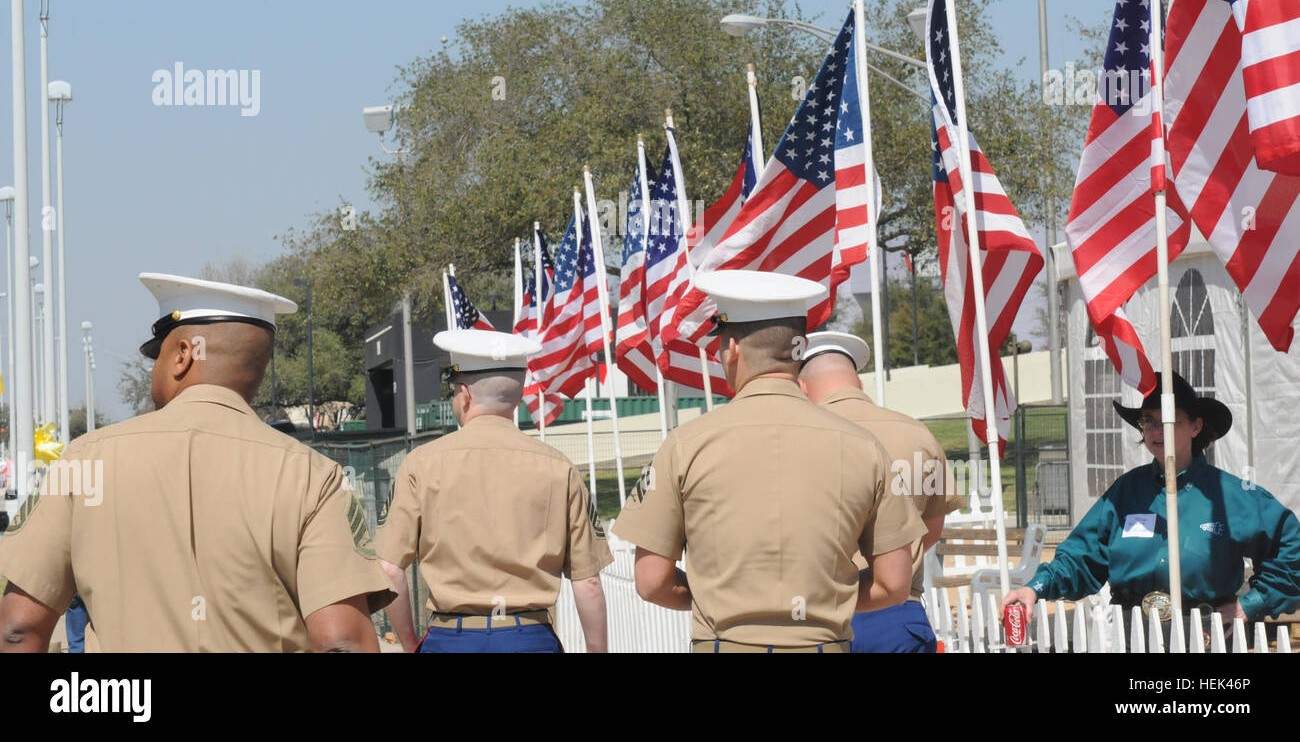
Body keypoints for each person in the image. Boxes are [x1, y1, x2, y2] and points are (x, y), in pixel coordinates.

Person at [0, 273, 395, 652]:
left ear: (183, 356)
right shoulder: (312, 475)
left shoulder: (84, 462)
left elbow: (17, 629)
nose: (153, 371)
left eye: (156, 356)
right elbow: (342, 642)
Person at [613, 270, 926, 653]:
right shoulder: (865, 446)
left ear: (732, 350)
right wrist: (825, 601)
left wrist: (727, 600)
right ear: (801, 348)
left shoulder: (684, 445)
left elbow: (651, 581)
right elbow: (894, 583)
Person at [1002, 371, 1300, 644]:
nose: (1157, 430)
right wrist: (1035, 587)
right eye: (1149, 421)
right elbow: (1081, 557)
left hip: (1207, 632)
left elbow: (1291, 544)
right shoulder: (1126, 491)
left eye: (1169, 420)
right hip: (1132, 632)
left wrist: (1252, 603)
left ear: (1196, 427)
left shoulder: (1232, 494)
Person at [376, 328, 612, 653]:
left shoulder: (420, 463)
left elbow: (389, 568)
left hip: (451, 637)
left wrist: (408, 644)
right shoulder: (560, 467)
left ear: (465, 394)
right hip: (531, 637)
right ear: (517, 396)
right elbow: (589, 582)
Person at [798, 331, 961, 653]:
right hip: (898, 614)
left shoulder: (794, 437)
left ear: (802, 387)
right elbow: (930, 531)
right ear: (858, 383)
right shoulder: (918, 434)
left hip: (814, 615)